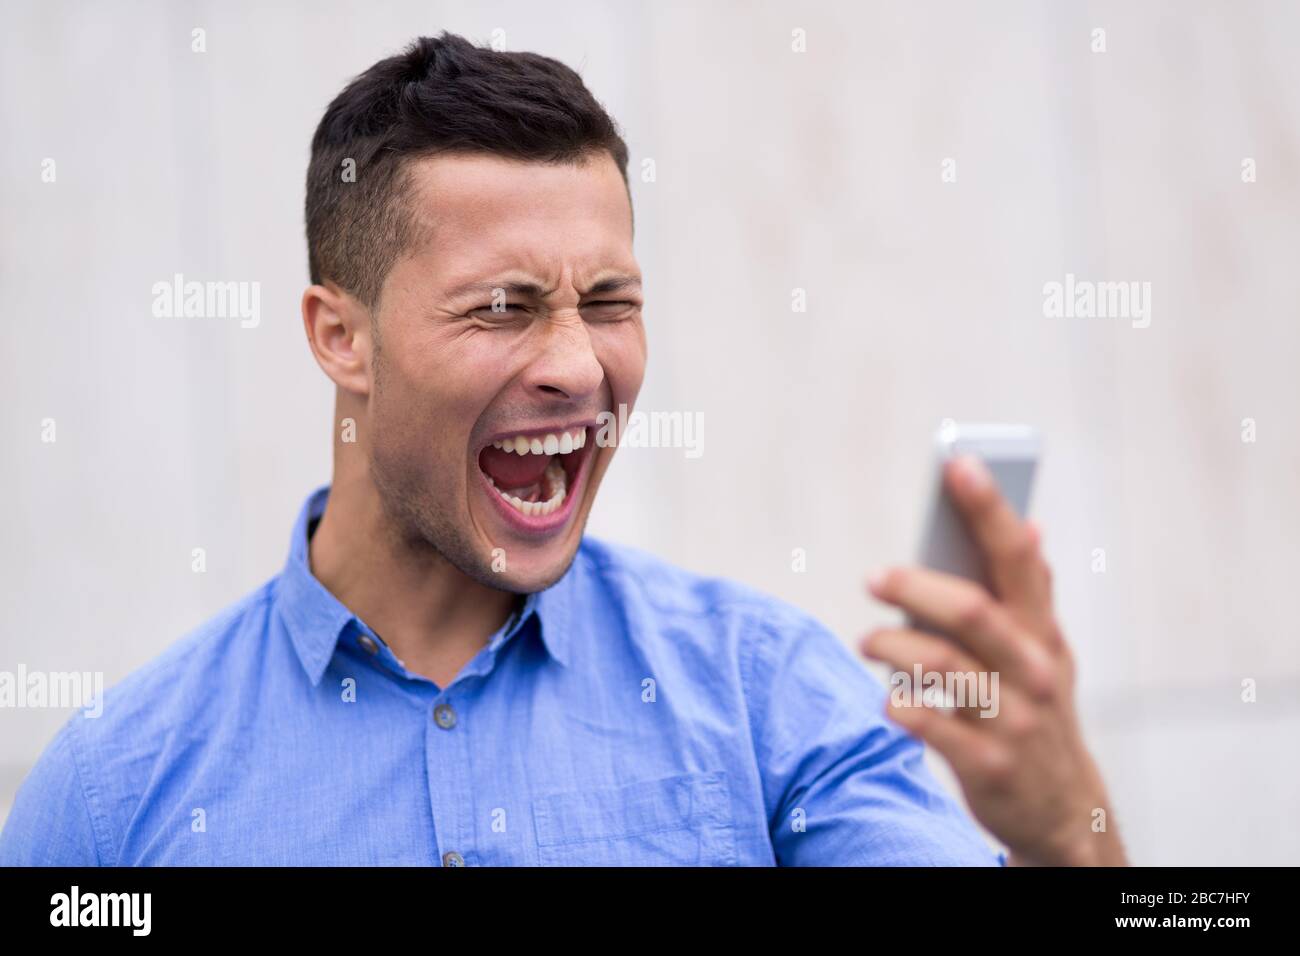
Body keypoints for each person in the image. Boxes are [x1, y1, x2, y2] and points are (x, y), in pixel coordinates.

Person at [0, 33, 1125, 866]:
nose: (580, 366)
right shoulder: (113, 798)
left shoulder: (765, 699)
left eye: (609, 300)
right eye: (504, 305)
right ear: (340, 337)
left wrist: (1068, 830)